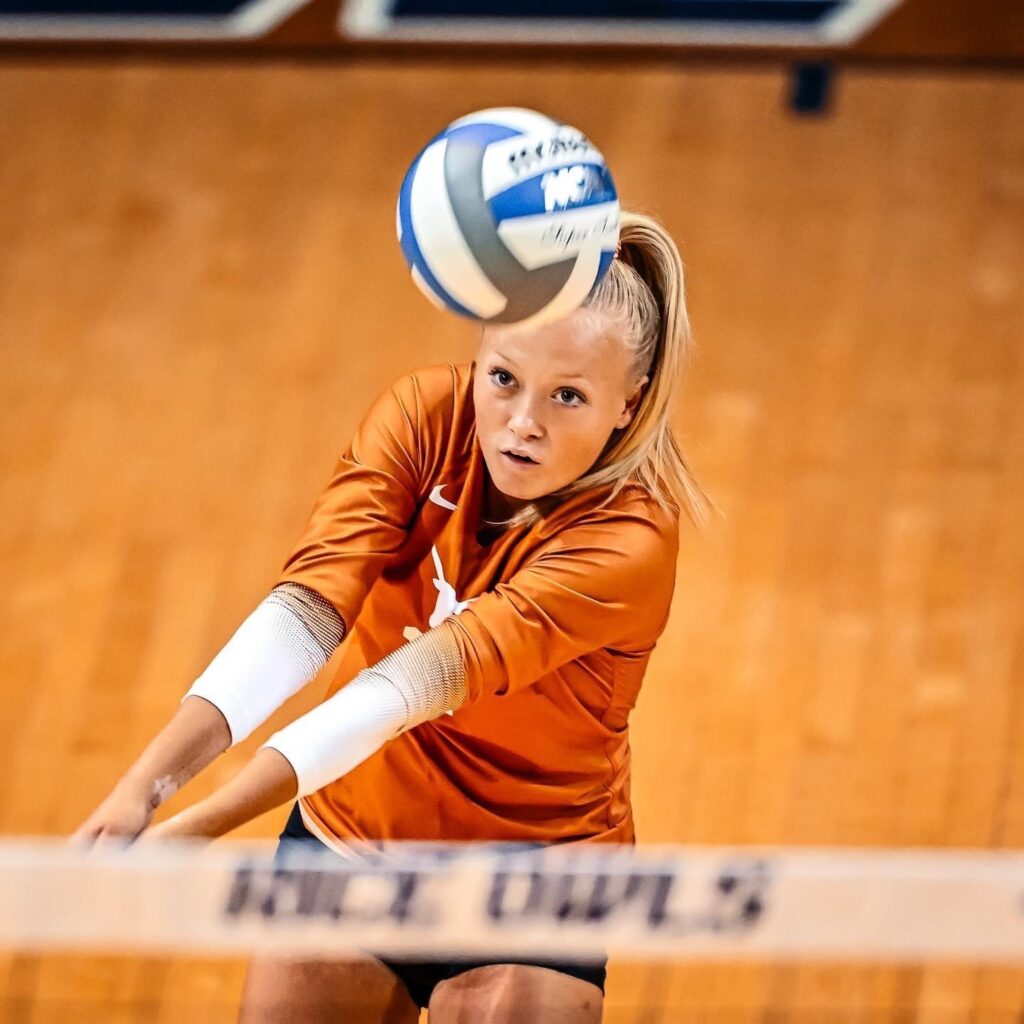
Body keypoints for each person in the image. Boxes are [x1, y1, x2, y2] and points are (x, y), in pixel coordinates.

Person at [73, 210, 707, 1023]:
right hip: (352, 834)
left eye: (569, 396)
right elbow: (305, 613)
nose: (523, 422)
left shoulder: (629, 541)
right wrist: (141, 789)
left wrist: (193, 829)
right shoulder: (421, 416)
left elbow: (401, 690)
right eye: (504, 378)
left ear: (629, 404)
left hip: (535, 876)